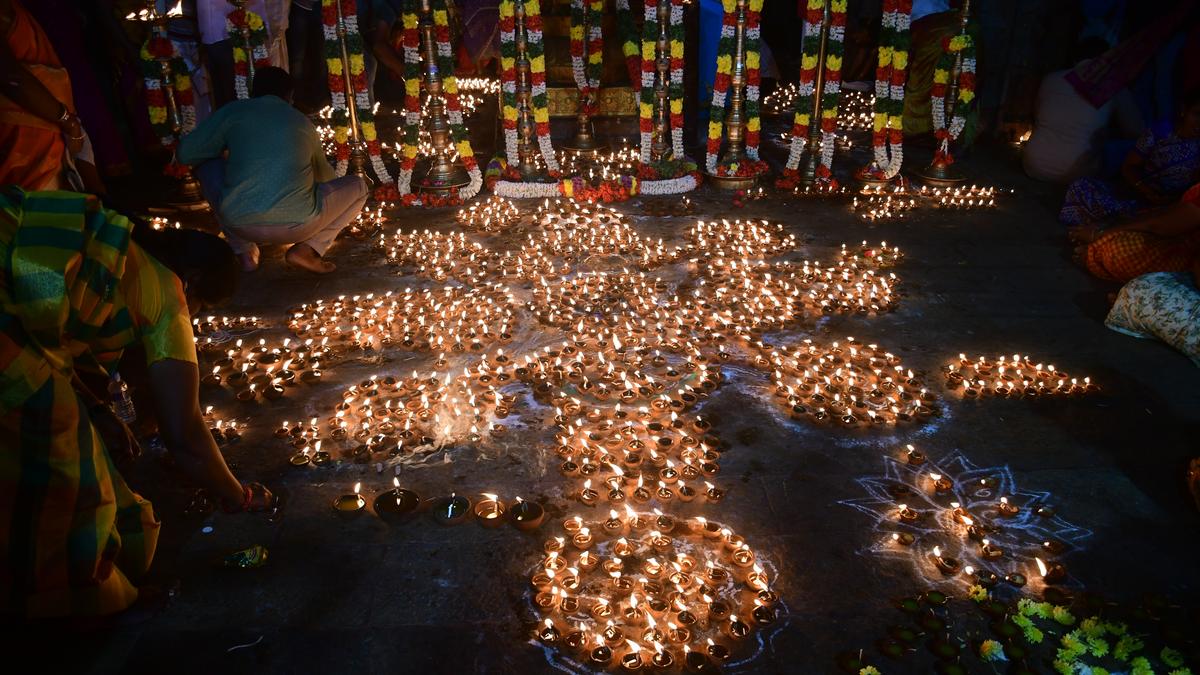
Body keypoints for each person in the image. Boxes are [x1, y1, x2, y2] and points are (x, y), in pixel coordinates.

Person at [0, 187, 273, 619]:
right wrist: (236, 495)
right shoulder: (165, 292)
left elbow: (58, 336)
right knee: (63, 468)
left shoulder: (119, 247)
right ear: (194, 281)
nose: (193, 316)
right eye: (201, 307)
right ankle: (78, 601)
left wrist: (95, 409)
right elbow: (182, 432)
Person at [178, 66, 368, 274]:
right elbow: (325, 178)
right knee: (359, 187)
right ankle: (309, 248)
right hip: (300, 225)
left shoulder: (233, 112)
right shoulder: (301, 121)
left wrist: (229, 152)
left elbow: (186, 154)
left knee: (208, 167)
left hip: (238, 222)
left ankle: (244, 252)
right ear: (289, 96)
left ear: (254, 92)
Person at [0, 0, 104, 194]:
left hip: (50, 119)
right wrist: (67, 121)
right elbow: (10, 77)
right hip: (26, 135)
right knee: (42, 211)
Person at [1060, 90, 1200, 225]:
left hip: (1175, 206)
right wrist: (1147, 192)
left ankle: (1119, 226)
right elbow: (1129, 167)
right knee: (1080, 187)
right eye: (1197, 114)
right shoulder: (1161, 131)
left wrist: (1175, 200)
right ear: (1184, 110)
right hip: (1140, 194)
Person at [1023, 39, 1143, 184]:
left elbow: (1037, 115)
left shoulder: (1051, 78)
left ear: (1075, 59)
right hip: (1077, 174)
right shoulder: (1113, 87)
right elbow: (1136, 131)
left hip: (1033, 164)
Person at [1070, 182, 1200, 283]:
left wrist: (1099, 234)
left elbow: (1159, 226)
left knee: (1116, 250)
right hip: (1175, 235)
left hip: (1188, 261)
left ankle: (1096, 254)